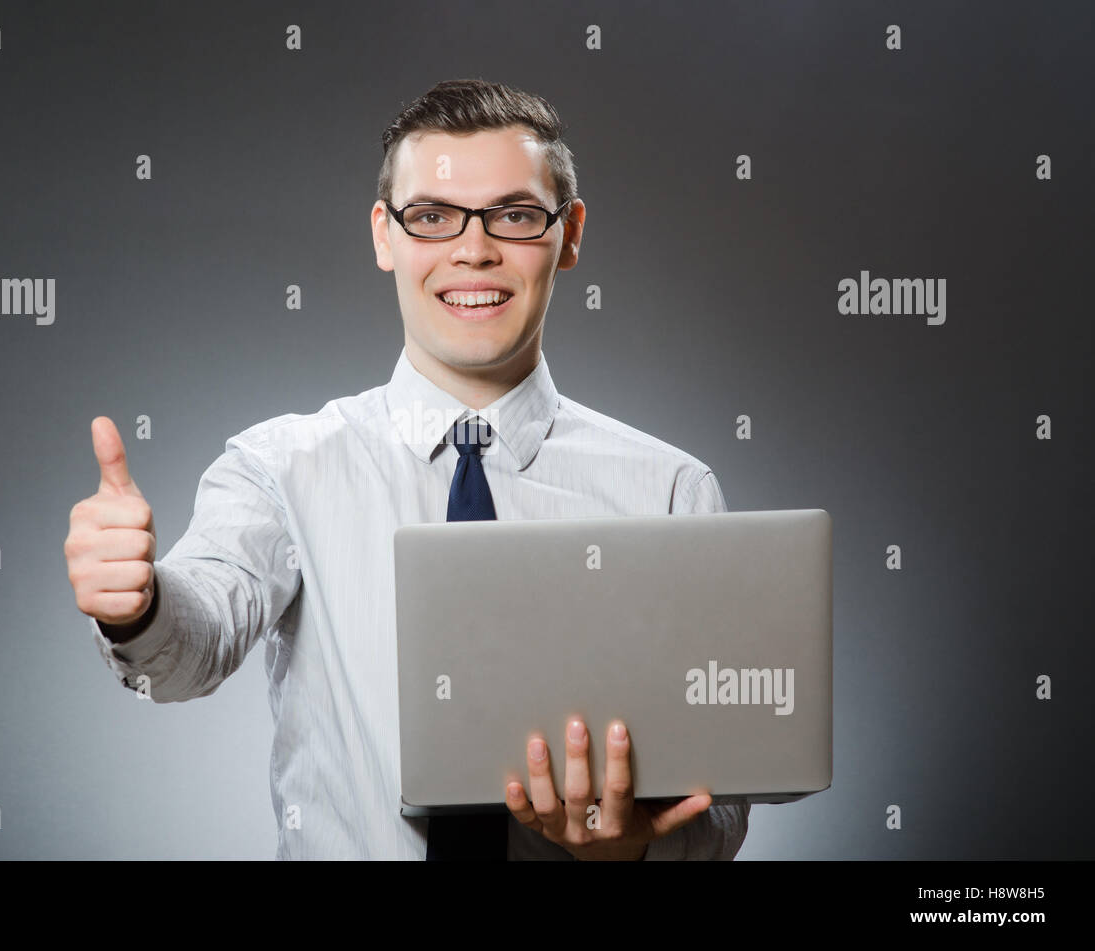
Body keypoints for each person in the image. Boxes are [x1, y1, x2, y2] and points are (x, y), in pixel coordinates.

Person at [64, 78, 750, 860]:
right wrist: (137, 605)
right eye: (431, 217)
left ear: (570, 235)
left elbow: (721, 806)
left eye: (516, 215)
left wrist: (632, 848)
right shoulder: (280, 468)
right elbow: (190, 649)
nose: (473, 249)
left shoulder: (670, 491)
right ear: (384, 235)